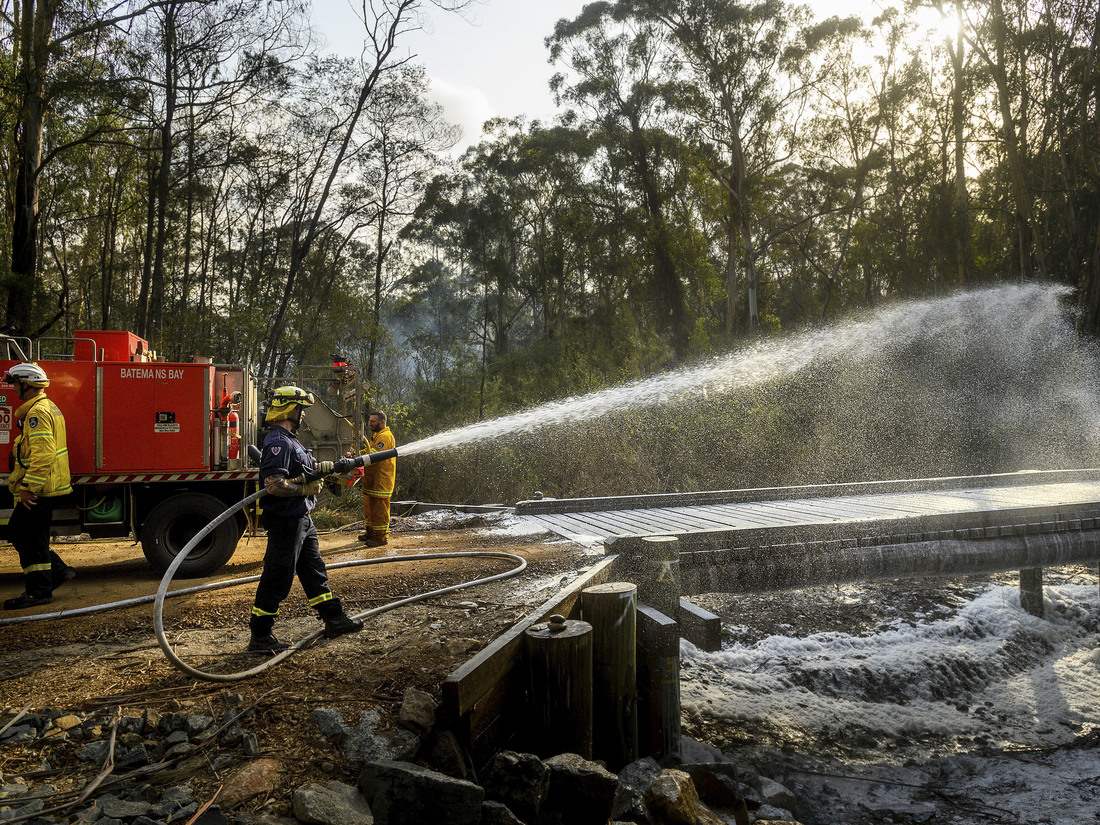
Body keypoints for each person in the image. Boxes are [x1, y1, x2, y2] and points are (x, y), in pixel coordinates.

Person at [249, 385, 363, 654]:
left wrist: (319, 472)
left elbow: (298, 472)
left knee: (313, 571)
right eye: (301, 410)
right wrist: (304, 489)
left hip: (301, 518)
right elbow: (274, 484)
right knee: (277, 576)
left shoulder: (289, 438)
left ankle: (334, 619)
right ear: (292, 409)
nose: (303, 416)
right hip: (286, 520)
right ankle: (260, 635)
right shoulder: (278, 441)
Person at [3, 363, 76, 610]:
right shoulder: (44, 408)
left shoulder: (37, 414)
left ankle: (39, 591)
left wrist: (28, 487)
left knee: (22, 532)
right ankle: (56, 573)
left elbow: (43, 455)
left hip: (40, 489)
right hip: (45, 487)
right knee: (28, 534)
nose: (13, 388)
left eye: (14, 383)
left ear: (26, 384)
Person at [357, 410, 396, 547]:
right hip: (372, 481)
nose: (370, 424)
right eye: (370, 421)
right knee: (369, 508)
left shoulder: (385, 437)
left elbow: (374, 455)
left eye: (373, 421)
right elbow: (369, 451)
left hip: (381, 481)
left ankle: (381, 538)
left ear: (382, 422)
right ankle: (371, 532)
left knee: (380, 510)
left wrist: (357, 459)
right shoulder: (377, 436)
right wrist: (356, 454)